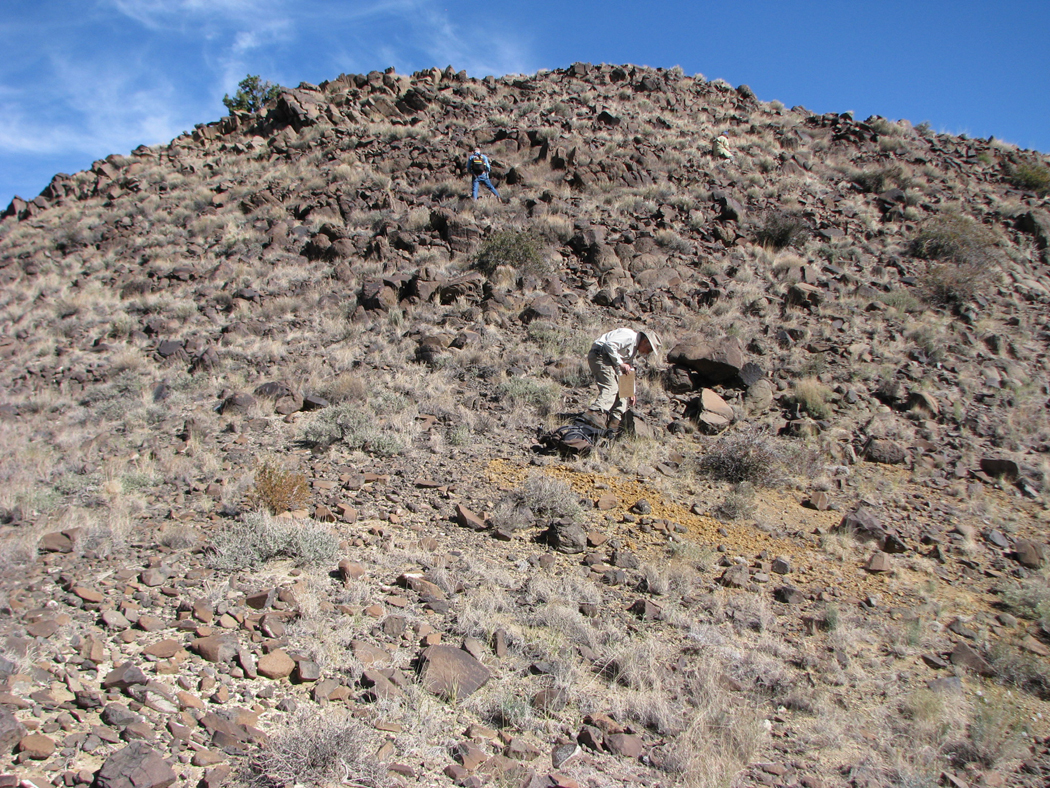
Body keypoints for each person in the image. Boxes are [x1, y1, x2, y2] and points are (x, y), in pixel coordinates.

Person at [586, 327, 662, 430]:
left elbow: (627, 369)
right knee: (611, 387)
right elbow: (609, 345)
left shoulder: (633, 349)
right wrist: (620, 363)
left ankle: (613, 423)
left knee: (624, 393)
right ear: (645, 341)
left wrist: (631, 392)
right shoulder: (629, 336)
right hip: (600, 355)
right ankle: (594, 414)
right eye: (649, 349)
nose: (647, 353)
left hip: (609, 360)